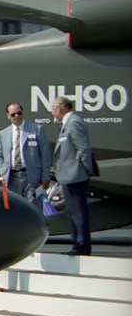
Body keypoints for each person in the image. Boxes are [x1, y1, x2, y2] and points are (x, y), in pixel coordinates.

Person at [49, 96, 95, 256]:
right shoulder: (67, 123)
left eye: (53, 109)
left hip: (75, 175)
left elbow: (83, 149)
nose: (52, 113)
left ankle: (82, 245)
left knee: (77, 212)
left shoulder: (74, 122)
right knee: (73, 212)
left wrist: (86, 169)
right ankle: (77, 243)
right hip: (69, 176)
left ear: (59, 108)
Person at [0, 103, 50, 200]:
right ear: (8, 116)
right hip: (11, 178)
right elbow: (0, 155)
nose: (17, 116)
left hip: (31, 177)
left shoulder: (36, 129)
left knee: (33, 206)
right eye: (13, 114)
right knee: (15, 206)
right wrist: (3, 170)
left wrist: (45, 176)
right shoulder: (3, 134)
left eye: (19, 113)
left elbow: (45, 155)